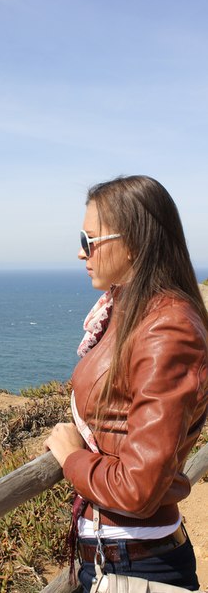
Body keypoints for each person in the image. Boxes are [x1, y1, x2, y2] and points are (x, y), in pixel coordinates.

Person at [45, 175, 208, 592]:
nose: (80, 252)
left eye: (89, 240)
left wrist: (72, 458)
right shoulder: (133, 310)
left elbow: (138, 488)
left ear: (133, 241)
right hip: (118, 556)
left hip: (136, 565)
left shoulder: (167, 329)